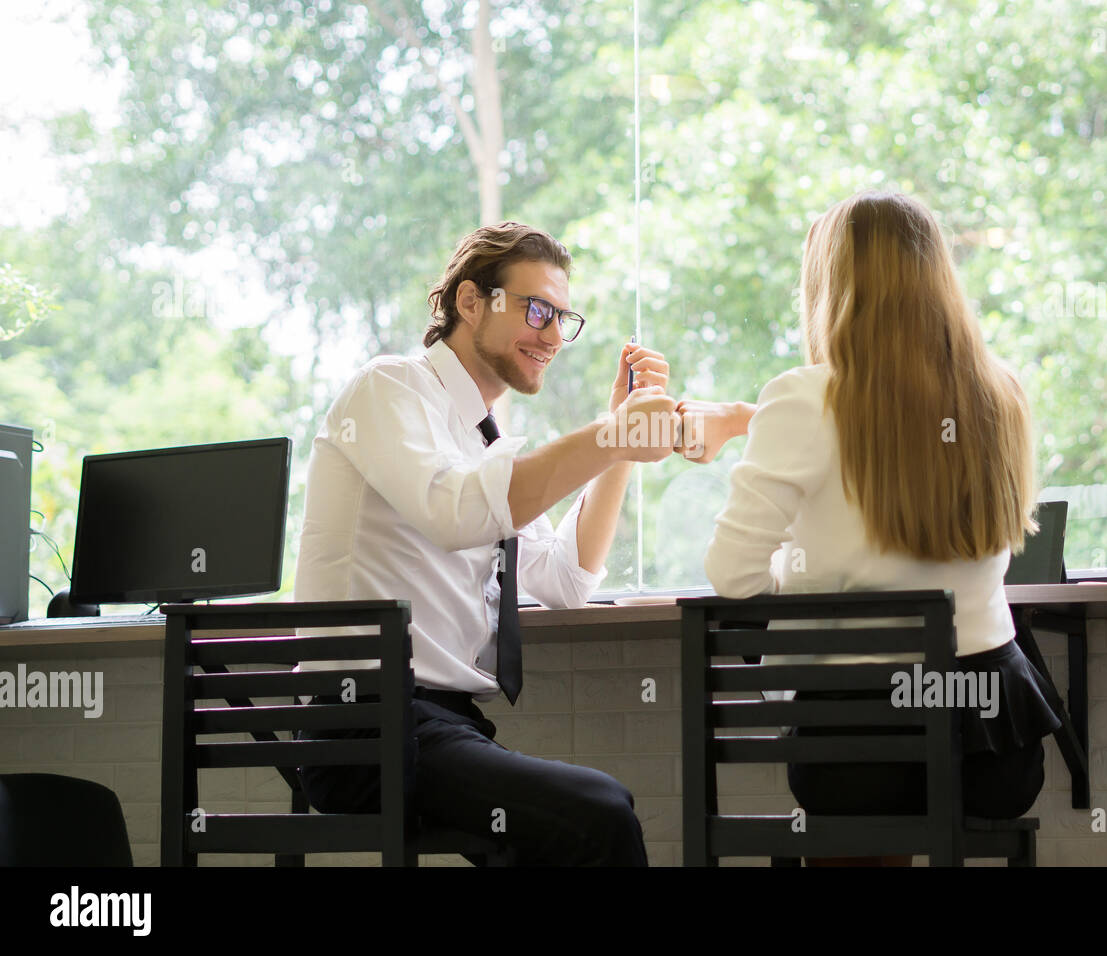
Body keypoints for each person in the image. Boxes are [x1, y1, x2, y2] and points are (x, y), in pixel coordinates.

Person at [676, 191, 1061, 865]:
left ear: (832, 286)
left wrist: (808, 569)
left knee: (861, 814)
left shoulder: (802, 398)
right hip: (995, 746)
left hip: (856, 747)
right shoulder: (1000, 393)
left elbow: (731, 575)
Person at [292, 221, 679, 866]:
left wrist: (618, 453)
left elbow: (563, 581)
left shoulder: (487, 442)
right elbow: (456, 513)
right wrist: (611, 434)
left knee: (574, 826)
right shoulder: (390, 388)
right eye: (537, 311)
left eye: (563, 319)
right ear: (470, 302)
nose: (554, 337)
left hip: (443, 725)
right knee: (599, 813)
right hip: (364, 727)